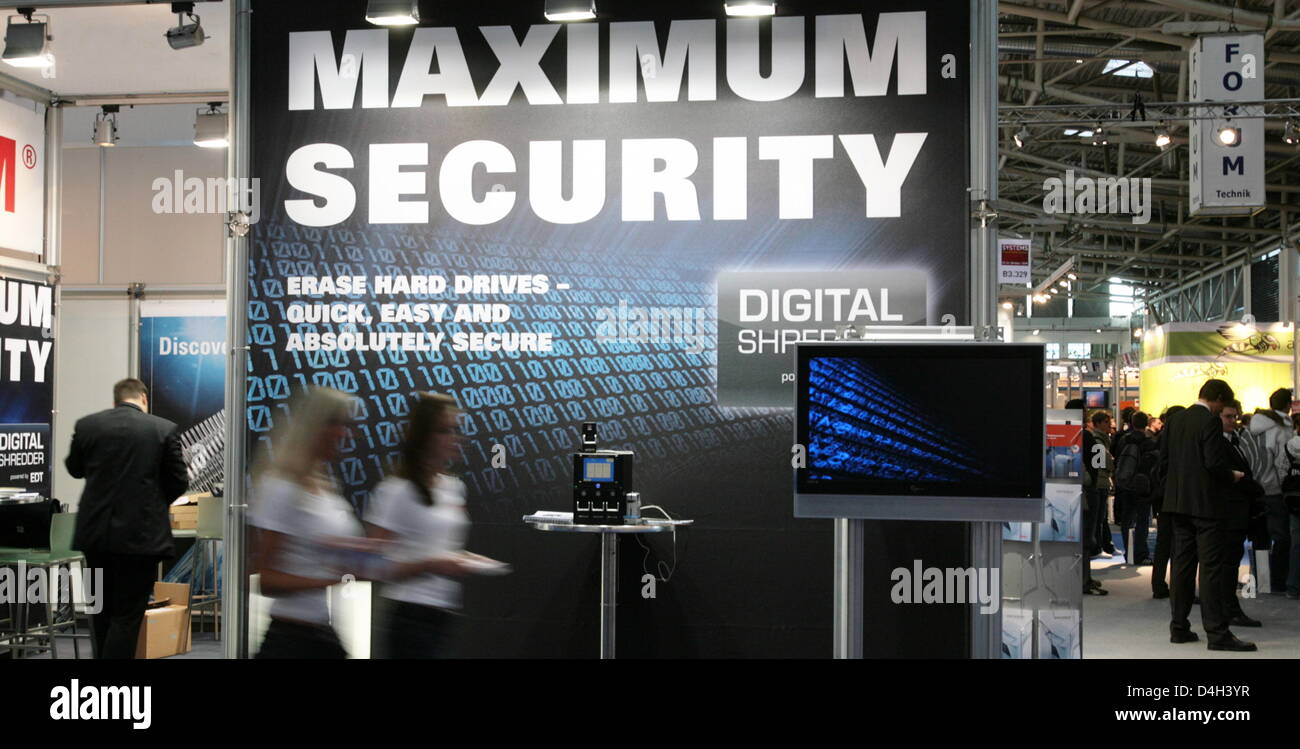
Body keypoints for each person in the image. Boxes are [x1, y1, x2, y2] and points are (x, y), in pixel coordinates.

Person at [65, 378, 189, 659]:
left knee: (101, 611)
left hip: (95, 535)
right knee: (127, 615)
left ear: (115, 400)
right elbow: (179, 481)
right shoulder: (163, 429)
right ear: (143, 399)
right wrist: (153, 504)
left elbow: (75, 469)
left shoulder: (87, 426)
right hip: (140, 537)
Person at [365, 393, 486, 659]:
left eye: (456, 430)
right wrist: (430, 564)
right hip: (410, 615)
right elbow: (373, 565)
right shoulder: (396, 491)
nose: (455, 438)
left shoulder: (453, 487)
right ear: (424, 436)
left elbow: (443, 547)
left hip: (442, 614)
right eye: (445, 431)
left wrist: (457, 559)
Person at [1159, 379, 1255, 651]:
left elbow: (1163, 462)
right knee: (1210, 569)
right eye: (1223, 406)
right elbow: (1213, 463)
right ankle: (1217, 633)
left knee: (1181, 567)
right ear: (1218, 399)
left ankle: (1179, 627)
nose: (1222, 411)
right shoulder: (1209, 422)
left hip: (1178, 505)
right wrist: (1232, 476)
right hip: (1206, 507)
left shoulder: (1176, 420)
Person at [1219, 399, 1263, 627]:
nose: (1233, 421)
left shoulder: (1234, 441)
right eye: (1228, 416)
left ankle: (1227, 608)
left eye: (1234, 416)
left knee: (1229, 563)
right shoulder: (1219, 444)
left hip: (1237, 511)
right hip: (1228, 512)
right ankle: (1227, 610)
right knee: (1226, 564)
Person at [1252, 387, 1294, 594]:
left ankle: (1260, 581)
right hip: (1275, 488)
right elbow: (1282, 461)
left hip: (1255, 487)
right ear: (1288, 405)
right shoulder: (1282, 428)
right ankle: (1278, 580)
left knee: (1260, 535)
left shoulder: (1255, 426)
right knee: (1282, 537)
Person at [1114, 411, 1158, 565]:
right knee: (1142, 520)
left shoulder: (1122, 439)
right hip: (1143, 486)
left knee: (1127, 519)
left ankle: (1129, 552)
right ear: (1146, 423)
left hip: (1126, 485)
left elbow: (1116, 460)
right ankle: (1140, 553)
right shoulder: (1150, 441)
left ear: (1132, 422)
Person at [1151, 405, 1185, 598]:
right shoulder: (1176, 441)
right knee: (1177, 545)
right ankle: (1177, 587)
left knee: (1163, 545)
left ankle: (1159, 585)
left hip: (1162, 498)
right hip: (1173, 497)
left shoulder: (1160, 439)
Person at [1074, 399, 1107, 596]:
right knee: (1087, 536)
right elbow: (1099, 461)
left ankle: (1084, 578)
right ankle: (1084, 580)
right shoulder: (1088, 437)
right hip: (1089, 490)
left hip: (1074, 491)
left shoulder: (1081, 435)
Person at [1274, 419, 1300, 600]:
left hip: (1295, 501)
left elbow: (1280, 469)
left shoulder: (1289, 446)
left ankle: (1292, 586)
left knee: (1296, 543)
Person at [1088, 411, 1119, 558]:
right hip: (1099, 482)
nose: (1110, 425)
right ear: (1099, 423)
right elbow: (1102, 462)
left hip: (1102, 482)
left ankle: (1104, 546)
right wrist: (1111, 463)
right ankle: (1097, 548)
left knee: (1102, 518)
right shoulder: (1098, 441)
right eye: (1107, 422)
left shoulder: (1103, 440)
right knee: (1099, 518)